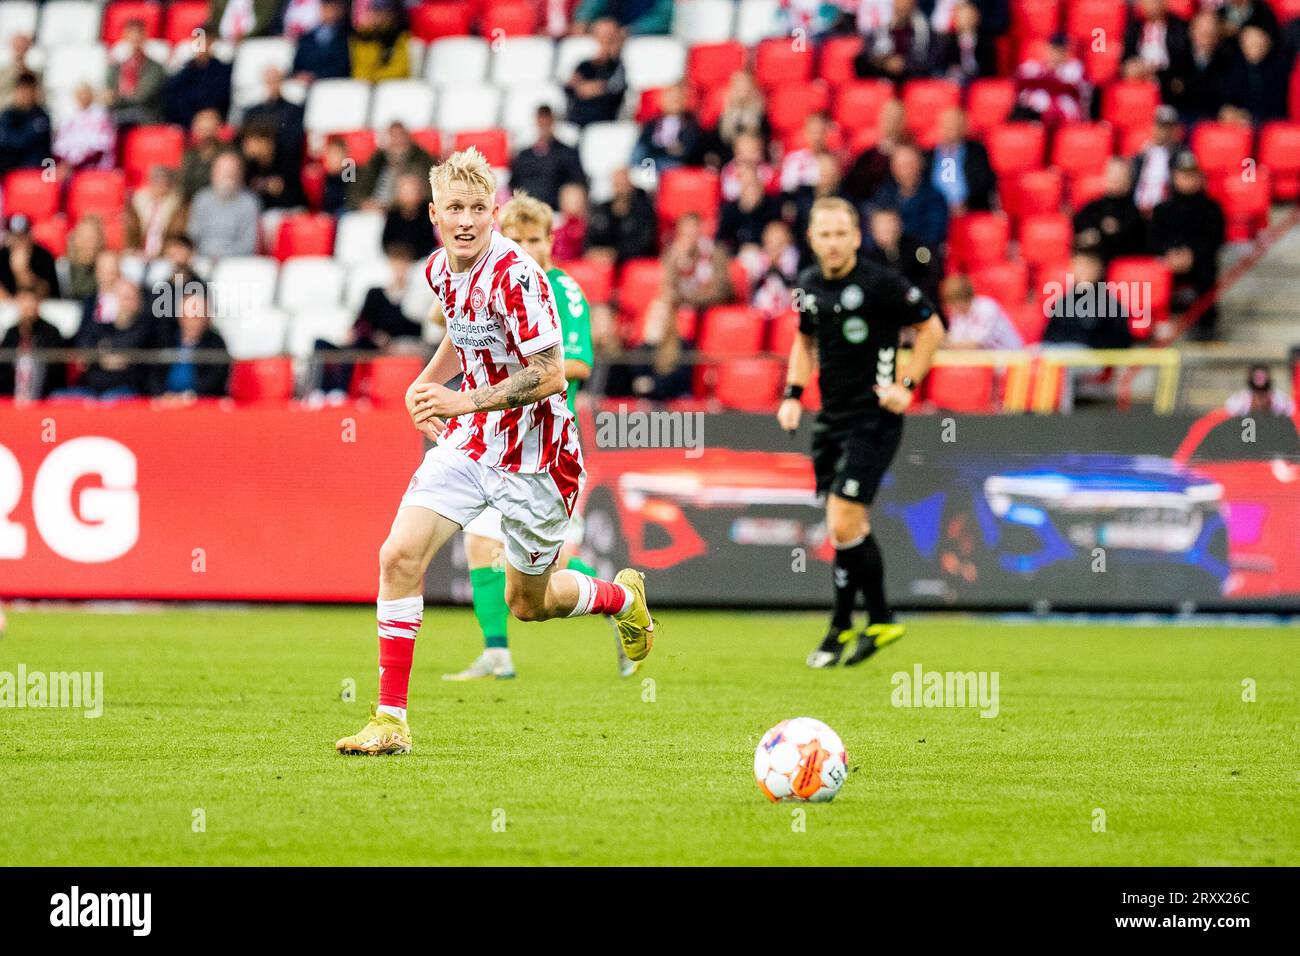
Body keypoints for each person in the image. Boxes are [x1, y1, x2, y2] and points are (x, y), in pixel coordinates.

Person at [334, 148, 656, 756]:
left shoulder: (519, 276)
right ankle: (390, 720)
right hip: (472, 445)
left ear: (494, 213)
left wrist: (458, 403)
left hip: (540, 459)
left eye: (477, 208)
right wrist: (427, 382)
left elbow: (552, 374)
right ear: (434, 213)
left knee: (527, 604)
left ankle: (619, 596)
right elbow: (462, 338)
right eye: (454, 208)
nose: (465, 220)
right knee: (398, 555)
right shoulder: (437, 271)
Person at [441, 190, 634, 682]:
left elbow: (578, 363)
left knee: (546, 573)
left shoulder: (561, 290)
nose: (526, 247)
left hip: (545, 448)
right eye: (518, 238)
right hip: (493, 438)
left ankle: (618, 602)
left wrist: (522, 366)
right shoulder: (497, 281)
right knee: (481, 547)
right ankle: (498, 653)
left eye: (536, 239)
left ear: (552, 241)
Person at [777, 196, 945, 669]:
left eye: (840, 233)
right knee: (849, 528)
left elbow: (932, 328)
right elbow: (804, 340)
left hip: (873, 418)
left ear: (855, 237)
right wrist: (792, 394)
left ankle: (838, 628)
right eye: (823, 234)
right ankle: (880, 618)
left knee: (842, 521)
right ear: (811, 239)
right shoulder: (808, 285)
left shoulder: (881, 283)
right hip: (831, 419)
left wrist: (907, 385)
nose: (831, 242)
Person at [1149, 150, 1224, 340]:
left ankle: (1206, 324)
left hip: (1198, 261)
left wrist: (1192, 256)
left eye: (1191, 174)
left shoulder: (1212, 208)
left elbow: (1215, 240)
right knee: (1152, 271)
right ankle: (1157, 321)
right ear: (1174, 177)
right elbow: (1154, 239)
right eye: (1183, 174)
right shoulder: (1162, 209)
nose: (1187, 179)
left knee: (1207, 271)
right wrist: (1169, 254)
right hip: (1168, 261)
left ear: (1199, 177)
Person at [148, 286, 230, 400]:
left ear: (207, 318)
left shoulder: (216, 343)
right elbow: (153, 374)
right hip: (165, 403)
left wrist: (188, 397)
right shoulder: (167, 339)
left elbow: (215, 380)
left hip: (200, 405)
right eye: (188, 316)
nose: (192, 322)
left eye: (197, 317)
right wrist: (163, 395)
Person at [508, 105, 587, 209]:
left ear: (553, 122)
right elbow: (514, 183)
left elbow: (577, 182)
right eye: (541, 121)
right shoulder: (524, 155)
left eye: (547, 121)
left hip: (556, 210)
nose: (544, 125)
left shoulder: (567, 153)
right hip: (526, 211)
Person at [1073, 157, 1146, 265]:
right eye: (1112, 175)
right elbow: (1076, 239)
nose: (1116, 180)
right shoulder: (1090, 208)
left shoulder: (1138, 212)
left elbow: (1139, 246)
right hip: (1093, 268)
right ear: (1104, 178)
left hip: (1123, 269)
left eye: (1120, 176)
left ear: (1130, 180)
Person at [0, 284, 66, 399]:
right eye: (24, 300)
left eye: (32, 301)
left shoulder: (50, 332)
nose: (28, 306)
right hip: (13, 394)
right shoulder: (12, 333)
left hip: (43, 394)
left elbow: (56, 371)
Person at [564, 17, 627, 127]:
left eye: (609, 39)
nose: (604, 43)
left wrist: (589, 88)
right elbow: (570, 87)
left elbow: (614, 88)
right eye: (601, 38)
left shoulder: (618, 67)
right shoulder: (584, 65)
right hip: (577, 119)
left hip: (603, 120)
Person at [163, 31, 233, 128]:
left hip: (213, 117)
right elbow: (175, 97)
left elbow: (222, 96)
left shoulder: (223, 70)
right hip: (188, 120)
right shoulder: (185, 71)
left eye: (205, 42)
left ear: (212, 43)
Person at [105, 19, 166, 127]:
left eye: (139, 33)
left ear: (145, 35)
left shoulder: (155, 68)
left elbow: (142, 97)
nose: (135, 37)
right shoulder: (116, 68)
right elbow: (108, 95)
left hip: (144, 115)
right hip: (118, 114)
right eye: (131, 33)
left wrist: (115, 99)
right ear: (125, 37)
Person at [938, 274, 1023, 350]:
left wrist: (940, 344)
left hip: (1010, 358)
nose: (948, 307)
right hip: (986, 360)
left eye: (950, 302)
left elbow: (976, 344)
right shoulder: (958, 314)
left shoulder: (986, 308)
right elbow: (954, 339)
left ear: (959, 300)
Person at [53, 83, 117, 174]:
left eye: (86, 93)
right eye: (80, 93)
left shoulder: (101, 117)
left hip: (95, 169)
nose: (83, 97)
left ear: (92, 95)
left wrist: (74, 165)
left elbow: (101, 148)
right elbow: (60, 147)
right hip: (70, 170)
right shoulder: (68, 119)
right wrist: (65, 164)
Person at [0, 73, 51, 175]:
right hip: (9, 169)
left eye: (29, 90)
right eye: (22, 90)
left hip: (34, 169)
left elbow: (22, 141)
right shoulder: (8, 114)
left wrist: (11, 140)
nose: (25, 94)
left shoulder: (41, 116)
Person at [0, 214, 60, 298]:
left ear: (30, 235)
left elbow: (47, 292)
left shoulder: (43, 256)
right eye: (15, 237)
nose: (19, 241)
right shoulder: (2, 255)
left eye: (23, 236)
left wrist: (23, 272)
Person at [292, 0, 351, 82]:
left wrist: (316, 76)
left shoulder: (345, 37)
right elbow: (297, 63)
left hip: (330, 83)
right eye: (325, 8)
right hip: (304, 82)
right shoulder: (307, 37)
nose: (328, 13)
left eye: (331, 9)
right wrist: (301, 74)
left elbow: (342, 66)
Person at [1225, 364, 1295, 417]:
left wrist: (1272, 405)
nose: (1260, 380)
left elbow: (1290, 410)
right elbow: (1231, 410)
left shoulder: (1279, 397)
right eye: (1257, 377)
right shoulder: (1241, 397)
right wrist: (1250, 406)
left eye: (1262, 377)